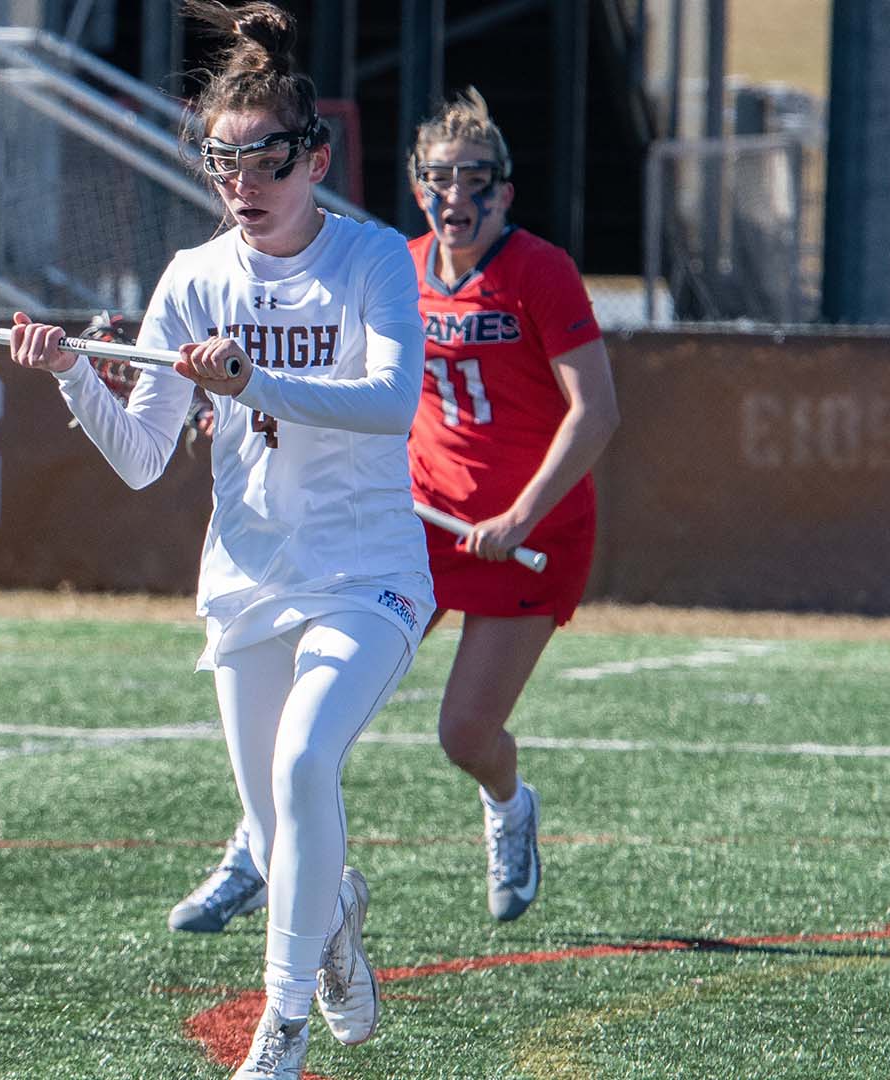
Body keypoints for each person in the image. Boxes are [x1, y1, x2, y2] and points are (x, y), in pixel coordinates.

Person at [10, 4, 431, 1076]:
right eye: (220, 161)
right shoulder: (195, 277)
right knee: (290, 823)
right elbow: (145, 456)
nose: (242, 183)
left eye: (263, 160)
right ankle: (334, 908)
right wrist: (70, 374)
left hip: (366, 576)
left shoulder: (375, 258)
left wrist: (250, 380)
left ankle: (280, 1028)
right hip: (245, 581)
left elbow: (390, 405)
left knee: (303, 764)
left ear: (313, 157)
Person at [171, 86, 619, 931]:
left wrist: (519, 517)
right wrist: (228, 408)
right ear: (417, 188)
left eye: (475, 179)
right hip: (414, 525)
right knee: (313, 696)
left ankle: (508, 803)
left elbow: (596, 413)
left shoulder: (539, 271)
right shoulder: (391, 265)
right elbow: (329, 387)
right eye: (438, 179)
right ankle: (257, 848)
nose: (455, 197)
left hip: (530, 535)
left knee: (463, 734)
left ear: (504, 192)